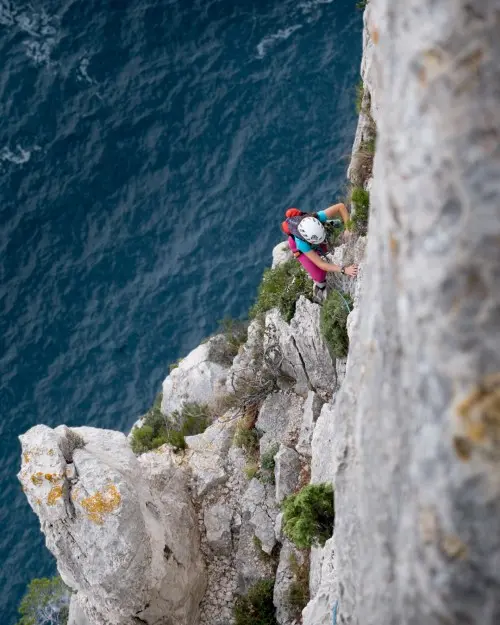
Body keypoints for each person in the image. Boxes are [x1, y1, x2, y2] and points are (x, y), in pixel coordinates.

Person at [284, 202, 358, 301]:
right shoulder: (301, 244)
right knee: (319, 275)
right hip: (301, 248)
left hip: (316, 234)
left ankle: (330, 224)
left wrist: (348, 229)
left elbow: (340, 206)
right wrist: (344, 270)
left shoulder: (316, 217)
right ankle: (320, 286)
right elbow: (321, 264)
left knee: (328, 242)